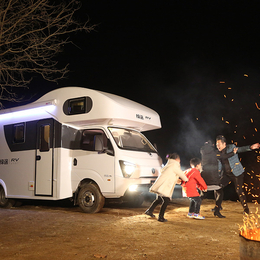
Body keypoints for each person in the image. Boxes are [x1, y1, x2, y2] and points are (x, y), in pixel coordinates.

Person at [214, 135, 260, 217]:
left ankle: (246, 209)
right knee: (217, 187)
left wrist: (250, 147)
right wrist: (218, 174)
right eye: (216, 144)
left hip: (237, 173)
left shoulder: (231, 147)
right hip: (226, 174)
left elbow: (240, 149)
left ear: (224, 144)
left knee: (239, 190)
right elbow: (219, 164)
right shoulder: (218, 153)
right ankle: (218, 206)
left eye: (219, 144)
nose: (218, 146)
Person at [144, 153, 188, 222]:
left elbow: (170, 176)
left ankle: (149, 211)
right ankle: (160, 217)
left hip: (161, 185)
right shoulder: (174, 165)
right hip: (164, 186)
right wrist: (186, 179)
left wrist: (178, 181)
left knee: (159, 199)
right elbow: (180, 173)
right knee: (166, 200)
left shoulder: (169, 165)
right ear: (177, 159)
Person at [200, 140, 238, 217]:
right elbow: (224, 156)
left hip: (203, 178)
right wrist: (233, 153)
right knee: (220, 193)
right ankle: (217, 211)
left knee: (202, 195)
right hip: (212, 177)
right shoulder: (214, 153)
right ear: (212, 145)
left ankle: (194, 210)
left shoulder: (203, 153)